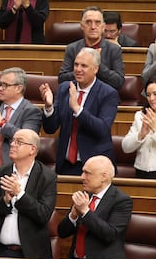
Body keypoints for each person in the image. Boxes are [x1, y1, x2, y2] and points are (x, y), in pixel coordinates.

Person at [56, 155, 133, 259]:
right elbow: (62, 233)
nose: (82, 177)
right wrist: (73, 215)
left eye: (87, 173)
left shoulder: (121, 201)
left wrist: (85, 212)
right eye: (82, 172)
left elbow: (110, 234)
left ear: (103, 176)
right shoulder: (84, 195)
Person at [0, 129, 57, 259]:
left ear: (32, 149)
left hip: (31, 255)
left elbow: (43, 214)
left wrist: (19, 195)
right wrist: (5, 200)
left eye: (19, 142)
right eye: (12, 141)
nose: (12, 144)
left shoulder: (47, 177)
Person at [42, 47, 119, 176]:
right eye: (76, 65)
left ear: (95, 69)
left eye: (84, 66)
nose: (78, 69)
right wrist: (49, 107)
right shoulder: (64, 88)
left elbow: (102, 129)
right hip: (65, 165)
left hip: (95, 168)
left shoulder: (108, 93)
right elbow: (50, 129)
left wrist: (78, 109)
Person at [0, 67, 44, 172]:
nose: (0, 88)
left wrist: (2, 123)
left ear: (19, 88)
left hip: (14, 172)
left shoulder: (31, 111)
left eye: (5, 85)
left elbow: (26, 141)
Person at [58, 7, 125, 90]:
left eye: (97, 23)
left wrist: (97, 65)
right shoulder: (72, 48)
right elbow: (62, 79)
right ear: (82, 26)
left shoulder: (114, 49)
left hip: (103, 97)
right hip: (77, 95)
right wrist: (83, 70)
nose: (93, 27)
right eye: (88, 22)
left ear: (103, 26)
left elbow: (118, 82)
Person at [122, 75, 156, 180]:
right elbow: (126, 147)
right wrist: (141, 135)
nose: (151, 99)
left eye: (155, 94)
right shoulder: (140, 115)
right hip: (141, 171)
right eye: (148, 95)